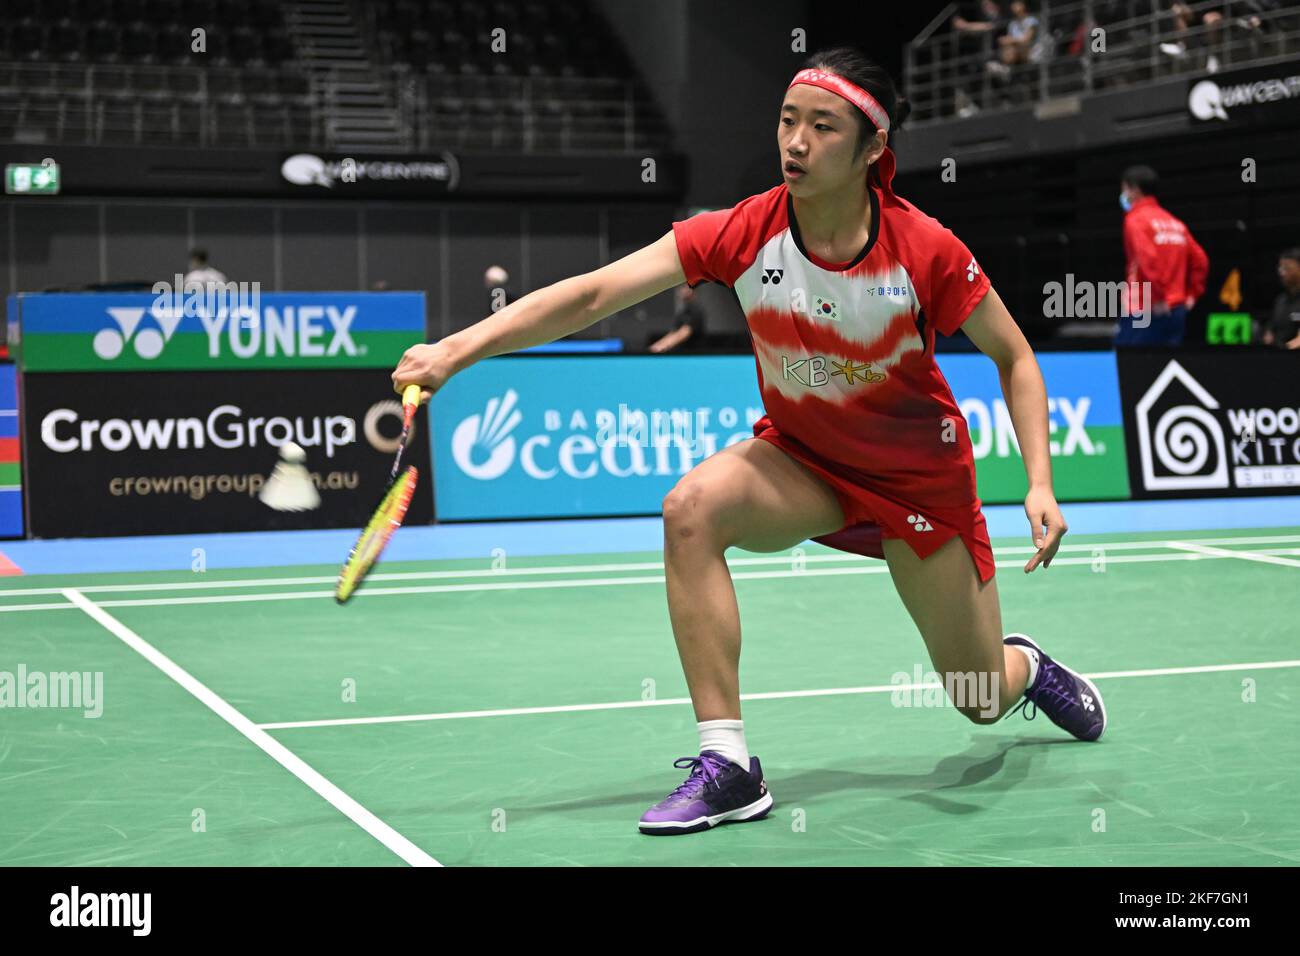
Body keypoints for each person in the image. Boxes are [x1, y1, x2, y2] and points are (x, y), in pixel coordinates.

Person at [393, 48, 1107, 837]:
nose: (795, 143)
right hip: (805, 461)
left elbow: (1015, 357)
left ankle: (1029, 668)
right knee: (691, 510)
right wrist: (457, 350)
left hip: (916, 486)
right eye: (787, 121)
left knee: (978, 700)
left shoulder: (925, 249)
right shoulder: (743, 230)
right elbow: (595, 293)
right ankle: (728, 763)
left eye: (822, 127)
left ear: (874, 150)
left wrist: (1040, 484)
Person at [1115, 165, 1209, 347]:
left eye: (1123, 189)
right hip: (1177, 309)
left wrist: (1159, 297)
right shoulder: (1174, 222)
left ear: (1133, 189)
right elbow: (1201, 261)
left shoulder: (1135, 220)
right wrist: (1192, 294)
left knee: (1130, 369)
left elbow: (1148, 261)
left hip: (1146, 308)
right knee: (1164, 365)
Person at [648, 284, 706, 353]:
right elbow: (674, 332)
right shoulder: (682, 312)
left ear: (692, 290)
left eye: (685, 287)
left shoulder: (696, 311)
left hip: (694, 354)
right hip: (681, 353)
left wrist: (662, 347)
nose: (682, 289)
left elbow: (684, 333)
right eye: (681, 287)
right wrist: (656, 345)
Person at [1262, 247, 1300, 349]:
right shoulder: (1280, 300)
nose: (1281, 272)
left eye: (1287, 268)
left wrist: (1283, 350)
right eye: (1280, 268)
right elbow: (1271, 328)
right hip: (1278, 358)